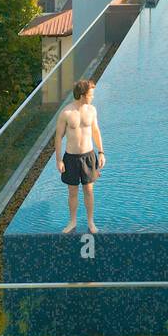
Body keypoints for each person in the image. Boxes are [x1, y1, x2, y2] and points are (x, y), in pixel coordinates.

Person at [55, 78, 106, 233]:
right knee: (72, 192)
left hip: (88, 157)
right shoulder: (66, 113)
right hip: (71, 158)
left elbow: (96, 131)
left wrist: (101, 152)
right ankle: (72, 221)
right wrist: (58, 160)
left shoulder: (92, 110)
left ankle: (91, 222)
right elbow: (58, 137)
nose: (93, 97)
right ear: (83, 95)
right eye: (91, 94)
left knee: (89, 191)